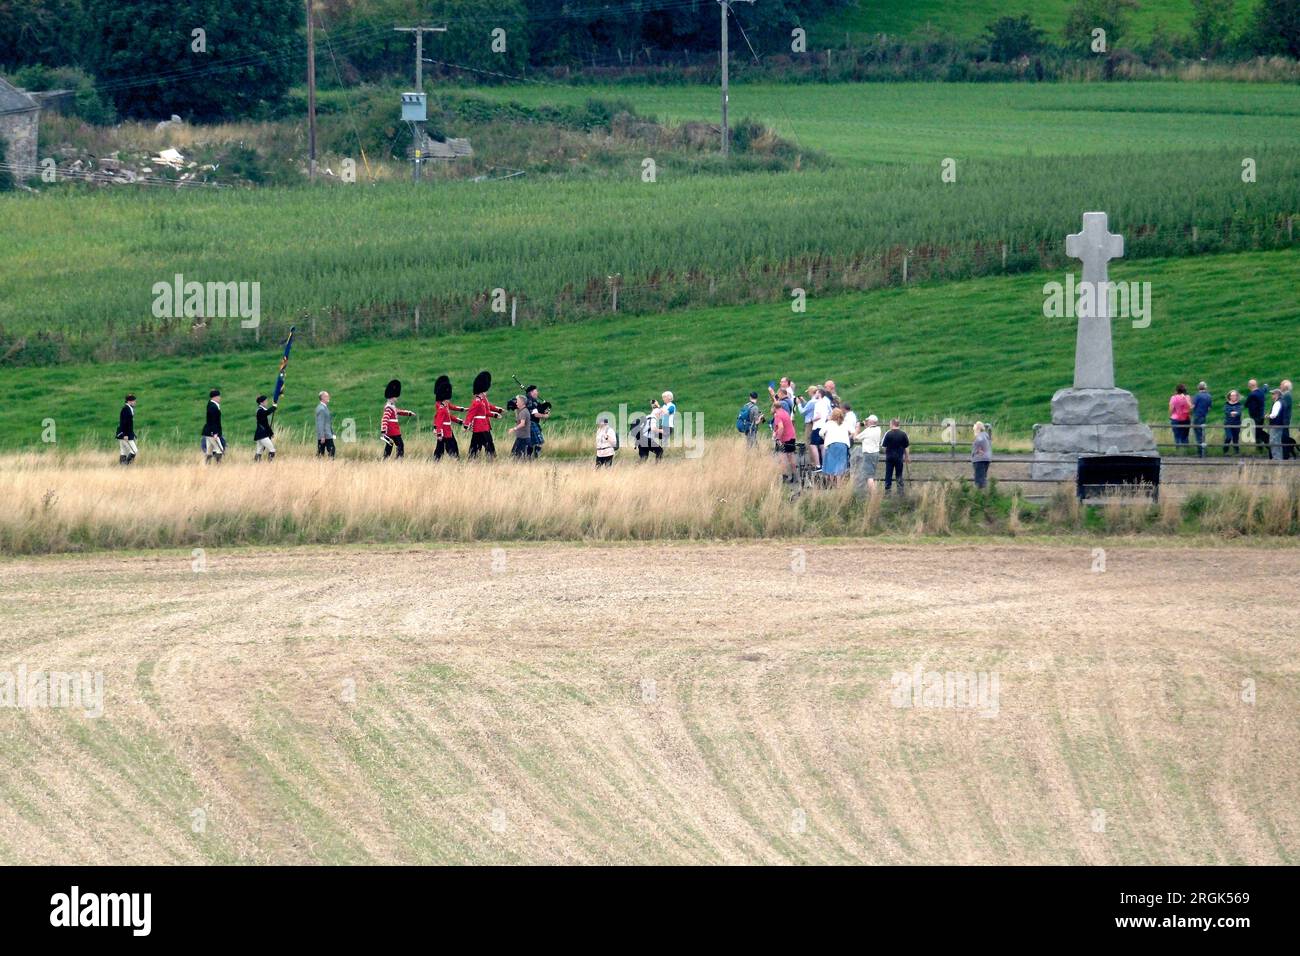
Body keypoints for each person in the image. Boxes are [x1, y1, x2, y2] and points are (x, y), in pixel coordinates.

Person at [465, 371, 502, 459]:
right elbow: (471, 413)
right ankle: (491, 458)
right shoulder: (477, 402)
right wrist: (466, 425)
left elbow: (486, 411)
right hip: (480, 426)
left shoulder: (481, 400)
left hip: (482, 425)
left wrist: (496, 414)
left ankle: (473, 459)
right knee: (488, 443)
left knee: (476, 445)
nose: (486, 393)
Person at [433, 375, 465, 460]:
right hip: (444, 430)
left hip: (447, 429)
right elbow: (439, 421)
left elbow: (450, 411)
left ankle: (453, 459)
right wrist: (438, 432)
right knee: (447, 446)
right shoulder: (441, 407)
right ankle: (455, 459)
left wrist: (460, 417)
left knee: (441, 448)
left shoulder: (444, 406)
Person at [381, 379, 415, 460]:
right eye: (396, 397)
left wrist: (408, 413)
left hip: (392, 429)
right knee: (400, 444)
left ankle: (385, 459)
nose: (397, 398)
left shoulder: (391, 406)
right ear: (392, 397)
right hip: (393, 430)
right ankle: (399, 460)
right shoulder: (389, 407)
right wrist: (383, 430)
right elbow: (385, 419)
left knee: (389, 445)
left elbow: (398, 411)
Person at [819, 407, 851, 482]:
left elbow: (820, 433)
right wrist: (847, 437)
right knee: (840, 465)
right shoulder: (845, 423)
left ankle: (832, 484)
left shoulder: (829, 423)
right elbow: (852, 431)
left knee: (831, 465)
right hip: (843, 445)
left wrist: (825, 438)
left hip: (832, 445)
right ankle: (839, 485)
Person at [853, 414, 882, 496]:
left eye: (867, 421)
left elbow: (855, 437)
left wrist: (857, 428)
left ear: (870, 422)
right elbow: (870, 429)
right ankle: (873, 493)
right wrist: (866, 425)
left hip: (868, 454)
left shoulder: (867, 431)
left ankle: (874, 495)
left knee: (869, 476)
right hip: (876, 453)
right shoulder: (878, 429)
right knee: (872, 474)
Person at [770, 394, 797, 483]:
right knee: (791, 456)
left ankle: (784, 477)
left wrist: (777, 438)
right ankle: (794, 476)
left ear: (774, 408)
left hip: (784, 439)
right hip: (792, 437)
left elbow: (781, 427)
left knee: (782, 457)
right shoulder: (784, 412)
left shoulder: (777, 415)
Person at [881, 418, 910, 494]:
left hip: (889, 457)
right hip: (899, 457)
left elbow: (884, 447)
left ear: (892, 424)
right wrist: (907, 457)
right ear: (898, 424)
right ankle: (900, 491)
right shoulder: (903, 434)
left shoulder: (888, 433)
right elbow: (906, 447)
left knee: (888, 474)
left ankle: (887, 492)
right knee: (899, 474)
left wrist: (886, 453)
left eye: (890, 424)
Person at [1246, 379, 1270, 456]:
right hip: (1261, 416)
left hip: (1255, 418)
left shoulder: (1252, 395)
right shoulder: (1261, 392)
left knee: (1257, 434)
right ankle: (1263, 447)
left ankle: (1262, 448)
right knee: (1259, 432)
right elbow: (1264, 389)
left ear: (1250, 386)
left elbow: (1248, 405)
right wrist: (1266, 386)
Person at [526, 385, 550, 458]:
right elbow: (535, 414)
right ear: (532, 392)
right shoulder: (530, 402)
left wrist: (545, 409)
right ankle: (534, 457)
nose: (537, 393)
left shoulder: (534, 401)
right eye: (536, 391)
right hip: (532, 423)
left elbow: (539, 409)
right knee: (539, 442)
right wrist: (544, 416)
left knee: (532, 443)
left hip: (532, 423)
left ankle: (529, 458)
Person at [202, 389, 225, 464]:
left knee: (209, 450)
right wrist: (215, 433)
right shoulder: (213, 407)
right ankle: (218, 466)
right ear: (214, 397)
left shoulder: (211, 404)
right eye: (218, 396)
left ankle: (207, 465)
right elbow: (213, 421)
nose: (220, 398)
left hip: (208, 432)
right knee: (219, 449)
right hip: (212, 432)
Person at [1191, 381, 1212, 457]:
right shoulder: (1209, 396)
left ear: (1198, 387)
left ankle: (1200, 453)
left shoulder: (1197, 396)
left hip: (1197, 416)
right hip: (1204, 416)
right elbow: (1209, 408)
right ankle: (1204, 451)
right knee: (1202, 433)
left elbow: (1192, 406)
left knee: (1198, 435)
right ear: (1205, 387)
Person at [253, 394, 277, 462]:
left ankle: (256, 464)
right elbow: (267, 413)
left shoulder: (261, 410)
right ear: (261, 403)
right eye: (266, 401)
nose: (267, 402)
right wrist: (274, 407)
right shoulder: (260, 411)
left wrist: (271, 433)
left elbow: (266, 424)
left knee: (259, 452)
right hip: (262, 435)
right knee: (272, 450)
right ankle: (270, 463)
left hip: (261, 434)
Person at [1168, 384, 1192, 450]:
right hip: (1186, 418)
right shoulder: (1187, 397)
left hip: (1175, 419)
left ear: (1177, 390)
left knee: (1177, 436)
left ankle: (1178, 450)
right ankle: (1186, 450)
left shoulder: (1173, 397)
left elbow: (1171, 408)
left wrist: (1170, 415)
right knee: (1185, 436)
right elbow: (1190, 407)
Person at [116, 393, 137, 466]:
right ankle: (126, 466)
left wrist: (133, 434)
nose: (135, 402)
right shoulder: (126, 409)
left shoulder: (128, 409)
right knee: (134, 451)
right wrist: (125, 434)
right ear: (129, 401)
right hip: (125, 435)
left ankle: (122, 468)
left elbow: (128, 424)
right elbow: (124, 423)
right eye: (133, 401)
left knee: (123, 451)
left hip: (123, 434)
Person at [971, 421, 992, 488]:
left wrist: (977, 450)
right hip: (986, 458)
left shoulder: (980, 436)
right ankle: (983, 493)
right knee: (983, 477)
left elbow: (980, 440)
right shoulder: (986, 435)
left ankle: (980, 495)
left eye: (974, 428)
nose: (974, 429)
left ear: (978, 428)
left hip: (979, 459)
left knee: (979, 480)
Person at [315, 391, 336, 458]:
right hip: (325, 436)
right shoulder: (321, 409)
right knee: (331, 450)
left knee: (321, 452)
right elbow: (320, 423)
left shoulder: (324, 408)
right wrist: (322, 436)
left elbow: (328, 422)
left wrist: (332, 433)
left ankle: (322, 465)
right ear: (322, 398)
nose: (328, 397)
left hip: (327, 435)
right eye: (327, 396)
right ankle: (329, 465)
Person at [1222, 390, 1243, 456]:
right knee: (1228, 437)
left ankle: (1237, 452)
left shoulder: (1239, 404)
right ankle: (1225, 451)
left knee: (1236, 438)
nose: (1233, 397)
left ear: (1237, 397)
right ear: (1230, 397)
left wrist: (1234, 413)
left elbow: (1239, 412)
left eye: (1235, 395)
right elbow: (1226, 411)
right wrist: (1232, 412)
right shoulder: (1226, 404)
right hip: (1228, 423)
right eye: (1232, 395)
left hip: (1236, 423)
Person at [1267, 388, 1285, 460]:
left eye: (1273, 394)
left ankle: (1277, 458)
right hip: (1279, 425)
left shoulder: (1277, 403)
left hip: (1275, 425)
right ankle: (1278, 458)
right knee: (1277, 442)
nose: (1272, 395)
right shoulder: (1281, 402)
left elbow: (1274, 415)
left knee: (1274, 442)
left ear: (1277, 394)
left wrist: (1268, 416)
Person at [1280, 379, 1294, 460]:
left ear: (1285, 386)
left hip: (1285, 420)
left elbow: (1283, 407)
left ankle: (1286, 455)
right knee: (1284, 437)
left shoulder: (1287, 395)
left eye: (1281, 385)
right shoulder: (1286, 394)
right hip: (1284, 420)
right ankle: (1285, 454)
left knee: (1284, 437)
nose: (1280, 386)